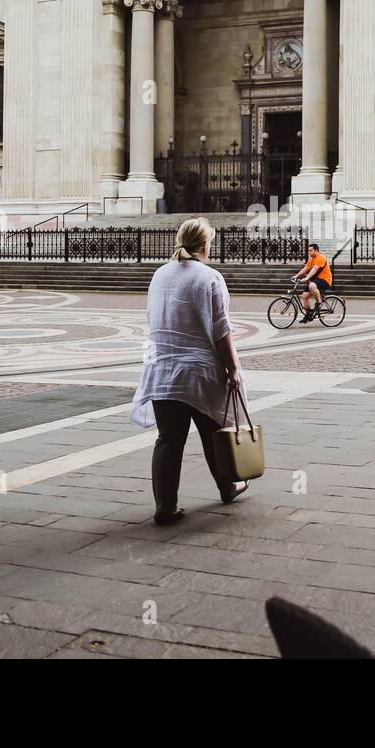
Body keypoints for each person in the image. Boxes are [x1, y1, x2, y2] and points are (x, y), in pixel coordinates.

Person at [130, 218, 249, 526]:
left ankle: (165, 507)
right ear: (205, 246)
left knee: (168, 440)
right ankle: (229, 486)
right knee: (215, 436)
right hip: (199, 372)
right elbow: (221, 329)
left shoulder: (159, 275)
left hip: (161, 369)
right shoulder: (209, 277)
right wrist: (233, 369)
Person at [292, 243, 333, 323]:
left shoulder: (321, 257)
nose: (309, 252)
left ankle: (318, 302)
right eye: (308, 251)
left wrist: (307, 278)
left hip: (325, 280)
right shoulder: (311, 259)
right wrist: (296, 276)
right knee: (304, 297)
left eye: (311, 250)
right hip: (315, 280)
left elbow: (314, 269)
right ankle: (308, 315)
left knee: (311, 285)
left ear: (316, 250)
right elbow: (306, 268)